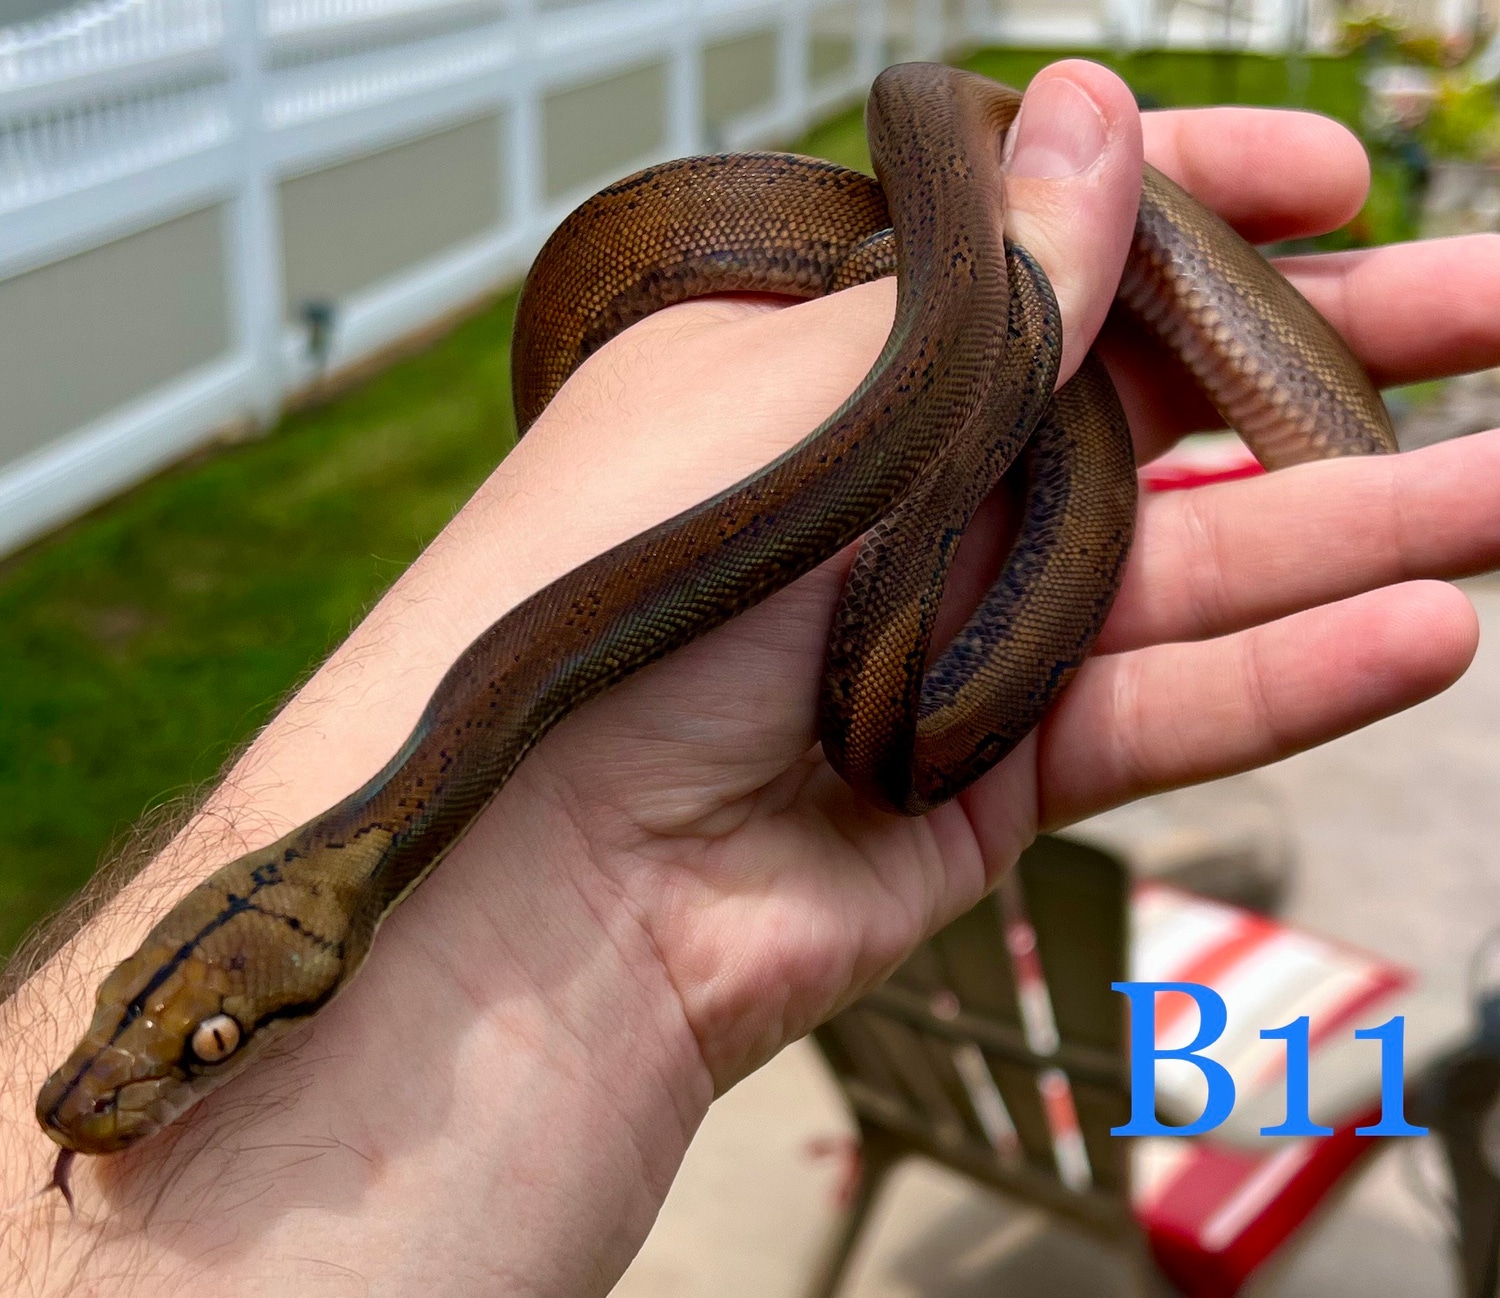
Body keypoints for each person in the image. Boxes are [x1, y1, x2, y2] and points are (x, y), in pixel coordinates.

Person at [6, 58, 1500, 1295]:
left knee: (944, 139)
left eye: (202, 1041)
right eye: (195, 1040)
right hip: (935, 413)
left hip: (954, 293)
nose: (131, 1085)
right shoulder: (451, 780)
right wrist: (978, 315)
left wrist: (985, 294)